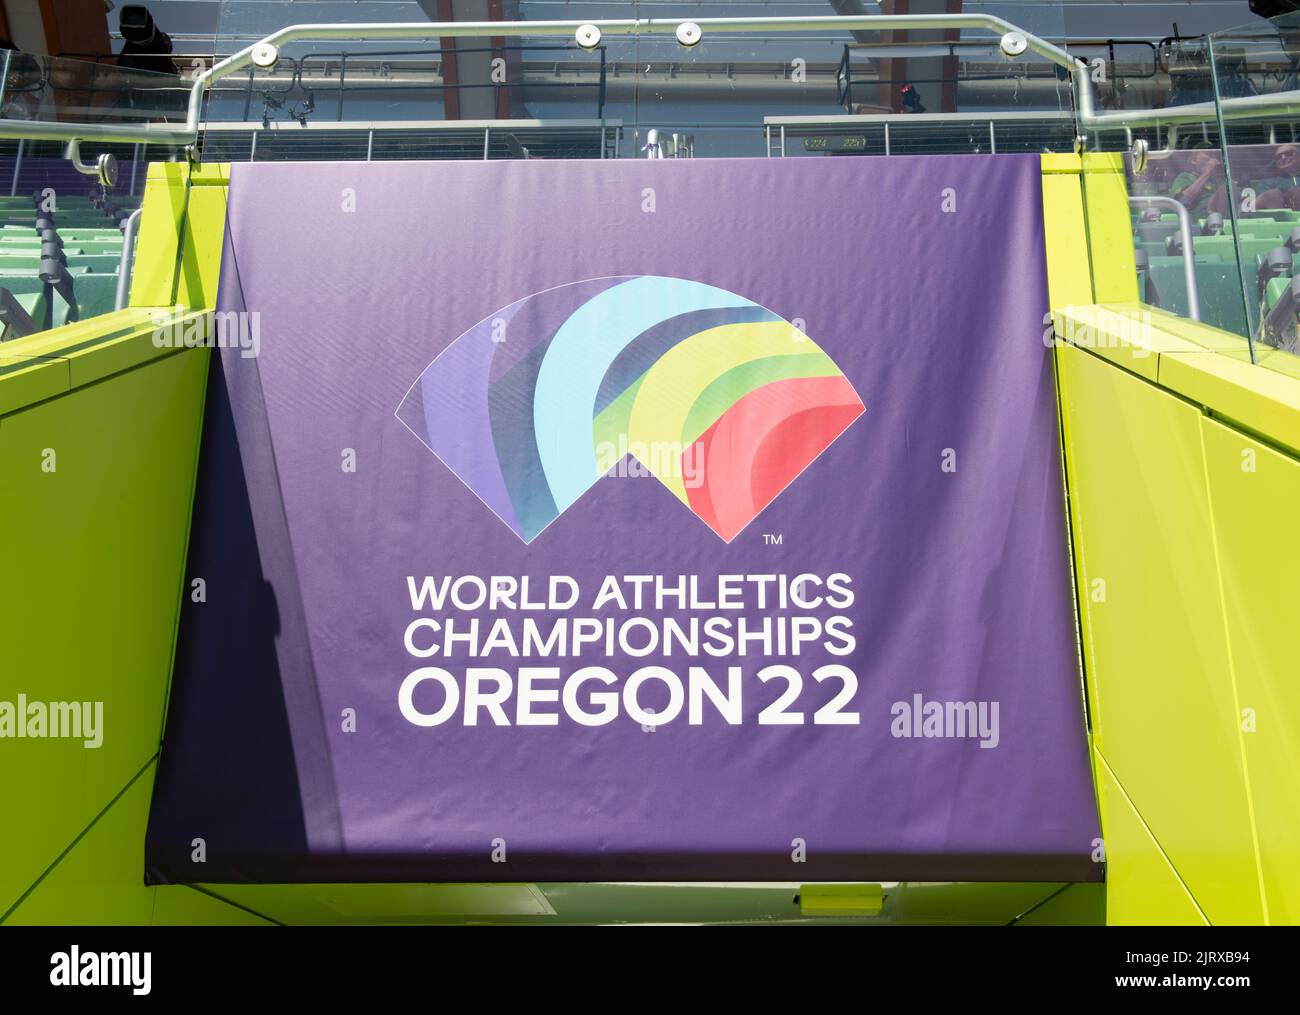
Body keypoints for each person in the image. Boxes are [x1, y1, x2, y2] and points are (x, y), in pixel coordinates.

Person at [1170, 148, 1229, 215]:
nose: (1212, 161)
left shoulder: (1217, 181)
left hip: (1220, 215)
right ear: (1194, 160)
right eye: (1208, 155)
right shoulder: (1184, 177)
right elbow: (1182, 201)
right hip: (1198, 217)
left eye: (1214, 157)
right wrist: (1207, 173)